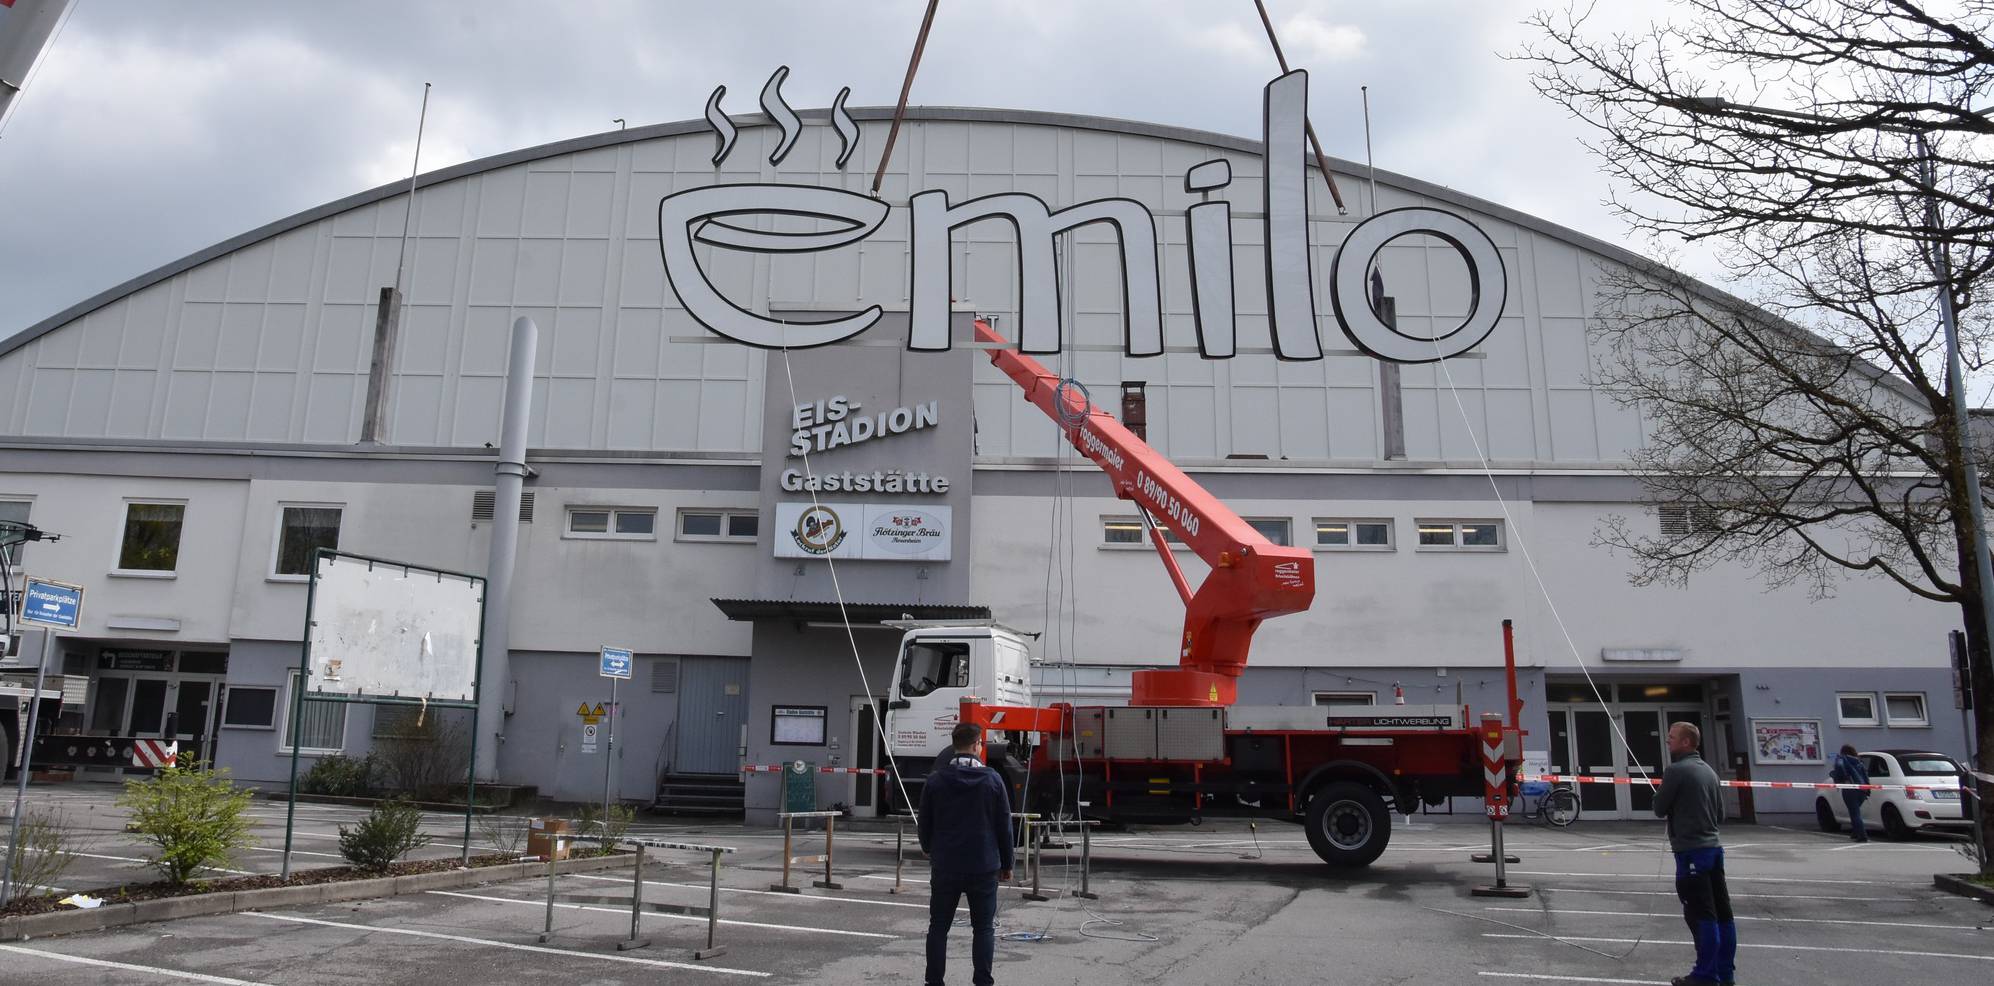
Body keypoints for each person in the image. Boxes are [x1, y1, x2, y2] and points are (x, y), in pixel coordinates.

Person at [918, 721, 1014, 986]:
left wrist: (928, 847)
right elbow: (1004, 825)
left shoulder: (936, 780)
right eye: (981, 744)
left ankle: (934, 981)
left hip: (946, 864)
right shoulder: (992, 780)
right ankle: (982, 981)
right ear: (975, 745)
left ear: (954, 746)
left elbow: (924, 820)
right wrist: (1007, 863)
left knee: (938, 927)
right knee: (983, 928)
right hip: (983, 865)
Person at [1652, 721, 1736, 986]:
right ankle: (1725, 973)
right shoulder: (1709, 771)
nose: (1668, 740)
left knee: (1701, 914)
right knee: (1722, 913)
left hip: (1691, 853)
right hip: (1714, 849)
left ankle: (1705, 974)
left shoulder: (1676, 771)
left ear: (1686, 742)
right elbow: (1720, 814)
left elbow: (1659, 807)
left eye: (1672, 736)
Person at [1829, 743, 1871, 842]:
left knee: (1854, 812)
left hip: (1850, 788)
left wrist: (1841, 778)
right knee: (1855, 811)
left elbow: (1839, 768)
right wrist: (1868, 788)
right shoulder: (1858, 761)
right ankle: (1855, 832)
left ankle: (1862, 835)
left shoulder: (1842, 759)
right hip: (1862, 789)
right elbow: (1865, 775)